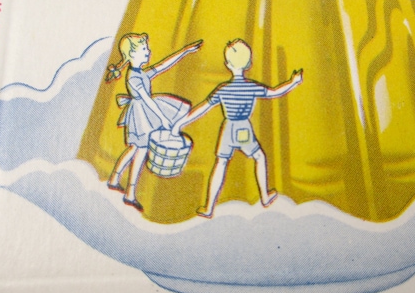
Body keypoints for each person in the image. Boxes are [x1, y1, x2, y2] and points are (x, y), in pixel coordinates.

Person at [172, 38, 303, 218]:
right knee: (259, 157)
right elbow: (274, 92)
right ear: (249, 64)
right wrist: (294, 82)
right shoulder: (251, 87)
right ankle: (265, 196)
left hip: (228, 128)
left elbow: (203, 108)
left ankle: (209, 207)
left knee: (221, 164)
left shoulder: (223, 89)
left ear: (227, 64)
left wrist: (181, 122)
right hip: (243, 128)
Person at [106, 33, 202, 212]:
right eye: (144, 49)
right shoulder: (134, 78)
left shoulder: (140, 73)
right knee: (139, 150)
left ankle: (114, 180)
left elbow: (162, 66)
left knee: (135, 149)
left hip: (145, 114)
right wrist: (163, 118)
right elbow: (147, 100)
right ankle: (129, 193)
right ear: (132, 54)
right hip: (141, 116)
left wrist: (185, 51)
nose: (148, 52)